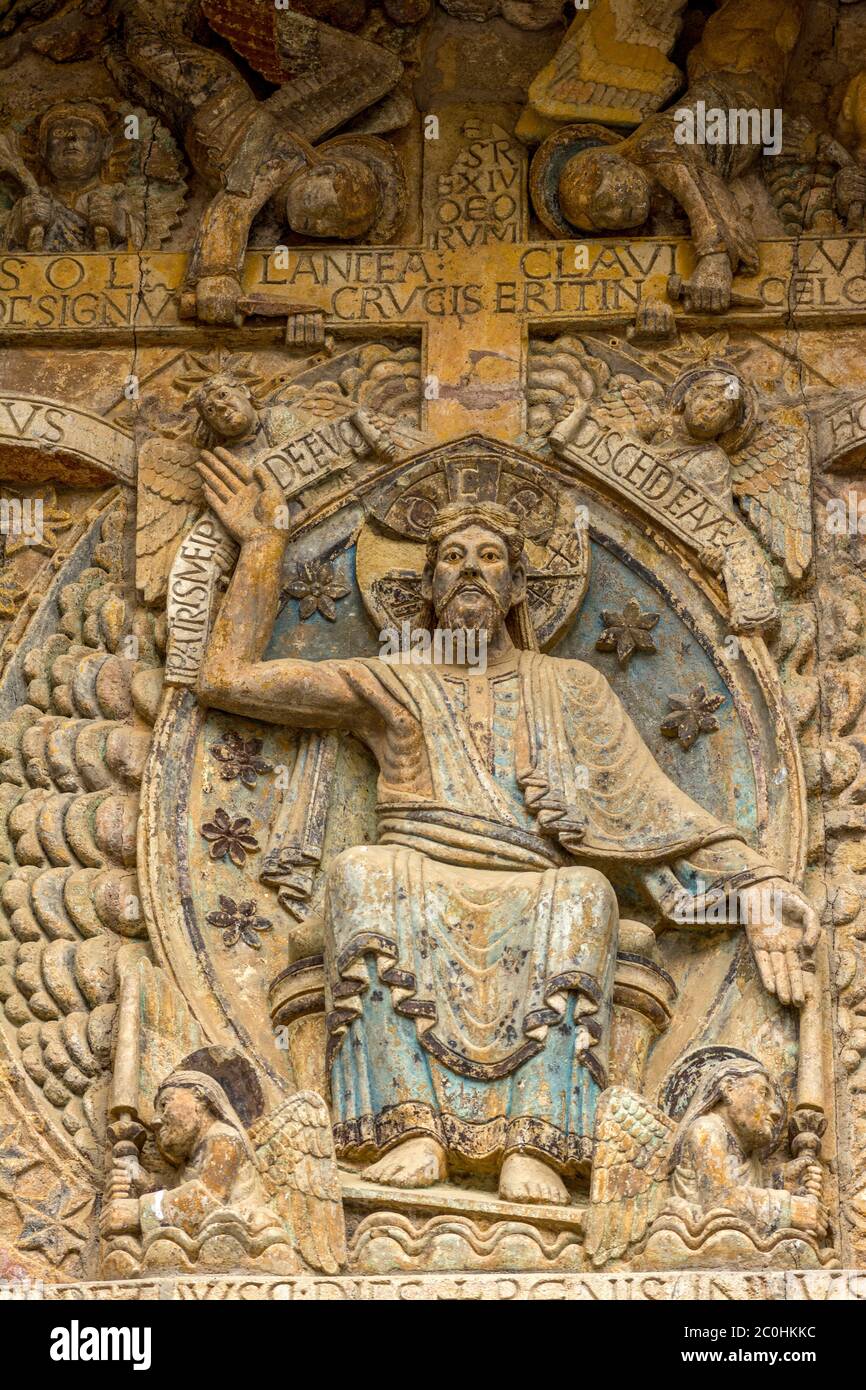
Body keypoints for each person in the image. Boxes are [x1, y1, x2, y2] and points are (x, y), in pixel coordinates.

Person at [193, 447, 819, 1205]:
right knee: (362, 872)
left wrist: (757, 888)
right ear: (425, 586)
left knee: (587, 893)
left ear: (519, 585)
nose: (469, 569)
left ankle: (538, 1144)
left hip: (533, 878)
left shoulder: (572, 687)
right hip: (416, 869)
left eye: (490, 556)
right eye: (451, 557)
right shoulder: (396, 679)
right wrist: (261, 548)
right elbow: (226, 678)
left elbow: (655, 811)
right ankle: (409, 1130)